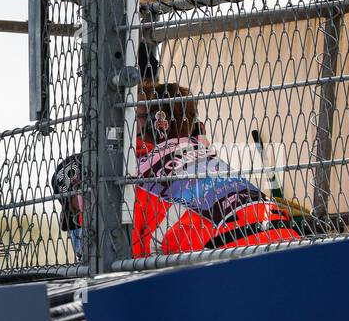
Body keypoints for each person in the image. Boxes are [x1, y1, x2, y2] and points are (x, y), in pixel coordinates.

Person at [53, 80, 301, 260]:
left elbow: (125, 268)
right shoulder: (206, 155)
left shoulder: (130, 181)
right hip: (289, 242)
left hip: (228, 260)